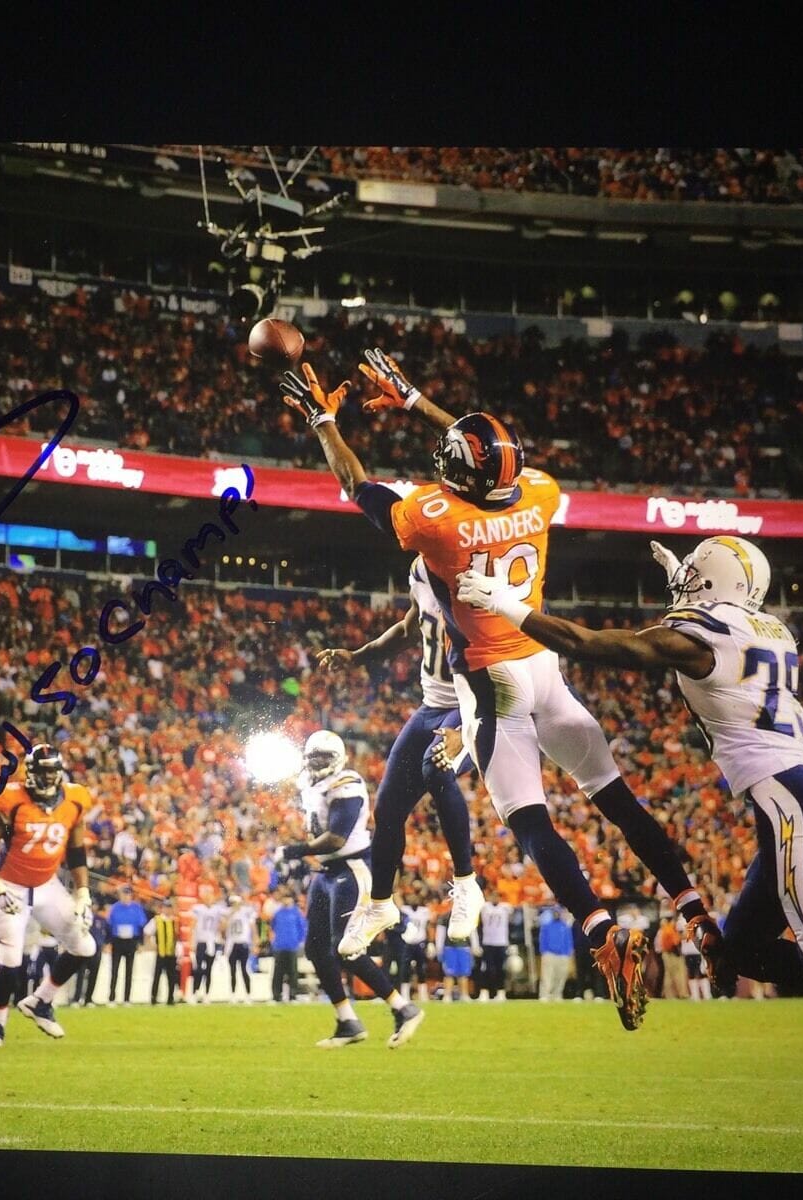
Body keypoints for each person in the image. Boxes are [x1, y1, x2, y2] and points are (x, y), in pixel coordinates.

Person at [456, 534, 803, 1165]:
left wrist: (508, 605)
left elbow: (594, 645)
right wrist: (684, 592)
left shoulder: (702, 633)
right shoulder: (773, 629)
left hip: (790, 800)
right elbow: (704, 643)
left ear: (709, 584)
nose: (684, 585)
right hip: (799, 796)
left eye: (693, 577)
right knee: (737, 952)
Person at [285, 355, 673, 1031]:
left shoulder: (433, 522)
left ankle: (471, 892)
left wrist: (323, 419)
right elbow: (496, 459)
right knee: (400, 801)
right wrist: (416, 401)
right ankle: (686, 907)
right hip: (536, 664)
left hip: (478, 687)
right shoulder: (537, 496)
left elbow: (354, 481)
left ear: (457, 477)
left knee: (495, 802)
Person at [316, 554, 482, 954]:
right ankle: (380, 905)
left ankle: (466, 883)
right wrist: (358, 655)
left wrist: (465, 726)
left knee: (436, 766)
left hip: (477, 701)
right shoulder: (423, 568)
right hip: (432, 704)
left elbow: (503, 656)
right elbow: (411, 627)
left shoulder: (483, 569)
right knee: (387, 808)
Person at [275, 731, 427, 1048]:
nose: (317, 764)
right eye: (313, 758)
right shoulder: (310, 783)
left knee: (345, 947)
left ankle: (404, 1009)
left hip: (353, 868)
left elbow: (337, 838)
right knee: (316, 949)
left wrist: (294, 851)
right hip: (327, 872)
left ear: (339, 758)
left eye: (323, 758)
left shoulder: (348, 783)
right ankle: (347, 1021)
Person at [0, 743, 98, 1048]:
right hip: (12, 887)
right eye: (43, 772)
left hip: (46, 886)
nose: (48, 778)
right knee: (11, 959)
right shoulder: (11, 800)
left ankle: (40, 1001)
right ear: (30, 773)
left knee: (85, 946)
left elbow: (76, 852)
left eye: (53, 771)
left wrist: (83, 893)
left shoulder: (75, 799)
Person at [106, 885, 147, 1006]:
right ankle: (112, 998)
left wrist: (140, 943)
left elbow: (141, 926)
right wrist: (108, 942)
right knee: (114, 970)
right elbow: (109, 925)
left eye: (128, 894)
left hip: (131, 941)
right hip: (117, 941)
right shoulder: (115, 908)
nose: (125, 896)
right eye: (123, 894)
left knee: (129, 971)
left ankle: (127, 998)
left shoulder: (137, 908)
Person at [268, 886, 306, 1003]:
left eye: (288, 898)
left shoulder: (296, 913)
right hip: (280, 946)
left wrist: (299, 941)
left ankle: (293, 995)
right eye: (284, 898)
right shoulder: (278, 913)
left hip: (292, 946)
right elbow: (273, 927)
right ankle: (276, 996)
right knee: (278, 973)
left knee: (293, 972)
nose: (286, 901)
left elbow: (302, 928)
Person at [189, 892, 227, 1002]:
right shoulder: (198, 909)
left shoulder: (217, 909)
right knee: (199, 968)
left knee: (209, 969)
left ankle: (206, 994)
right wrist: (192, 940)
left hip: (212, 941)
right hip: (201, 941)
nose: (209, 900)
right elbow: (193, 924)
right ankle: (195, 992)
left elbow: (224, 921)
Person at [477, 892, 512, 1001]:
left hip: (501, 942)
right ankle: (484, 992)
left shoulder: (505, 908)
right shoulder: (485, 907)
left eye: (497, 896)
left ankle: (501, 992)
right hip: (488, 942)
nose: (495, 898)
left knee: (500, 969)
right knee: (486, 969)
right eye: (492, 896)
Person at [146, 900, 180, 1005]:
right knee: (157, 976)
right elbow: (147, 932)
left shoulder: (175, 921)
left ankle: (170, 997)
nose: (168, 910)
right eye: (166, 907)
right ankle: (154, 997)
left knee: (172, 977)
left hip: (171, 952)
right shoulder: (157, 920)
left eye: (170, 908)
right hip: (160, 952)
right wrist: (152, 945)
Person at [537, 907, 574, 1002]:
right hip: (549, 953)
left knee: (561, 976)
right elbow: (542, 939)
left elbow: (568, 940)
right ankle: (544, 994)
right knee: (547, 976)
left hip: (563, 954)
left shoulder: (565, 926)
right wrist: (544, 951)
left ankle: (557, 994)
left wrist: (568, 952)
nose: (556, 914)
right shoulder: (547, 926)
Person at [657, 916, 688, 1000]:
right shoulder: (669, 930)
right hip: (671, 954)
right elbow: (675, 942)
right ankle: (678, 994)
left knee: (669, 975)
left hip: (666, 953)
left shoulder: (665, 930)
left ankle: (671, 994)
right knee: (674, 975)